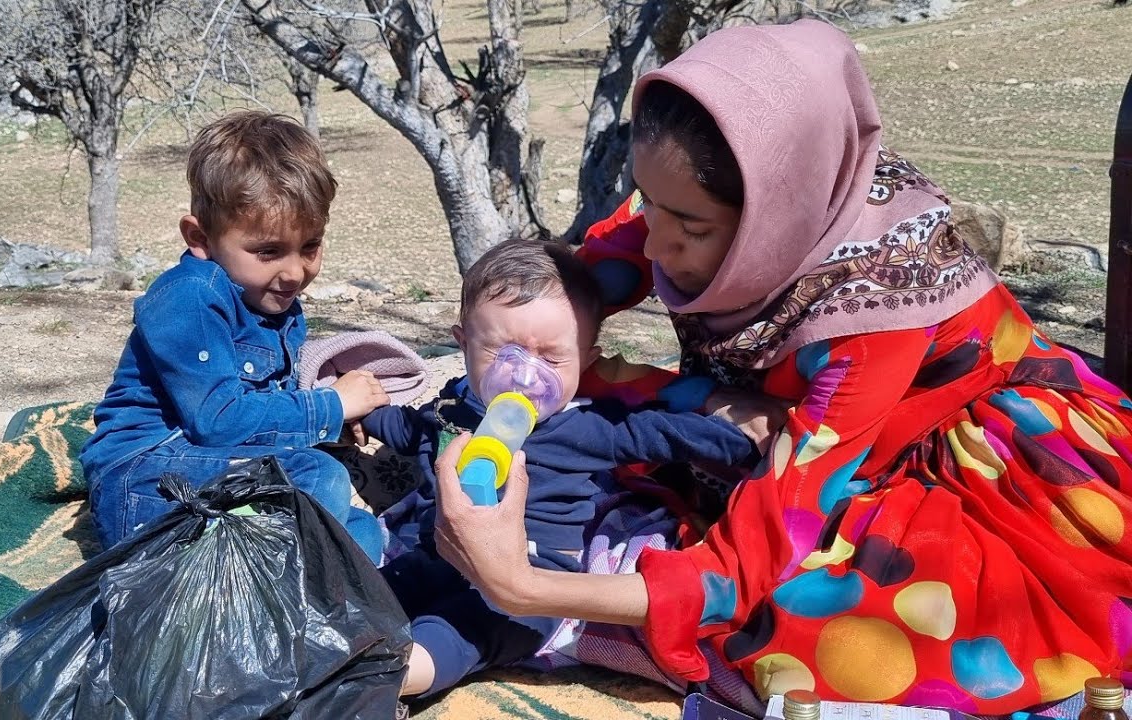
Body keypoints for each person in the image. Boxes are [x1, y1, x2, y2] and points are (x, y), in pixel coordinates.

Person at [430, 19, 1132, 714]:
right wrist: (685, 393)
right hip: (805, 438)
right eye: (650, 205)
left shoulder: (871, 319)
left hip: (966, 459)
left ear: (775, 213)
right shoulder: (714, 197)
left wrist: (521, 586)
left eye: (690, 228)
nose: (654, 245)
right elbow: (584, 283)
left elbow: (743, 565)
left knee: (810, 634)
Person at [363, 239, 757, 696]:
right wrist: (361, 412)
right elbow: (412, 430)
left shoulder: (588, 426)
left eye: (551, 359)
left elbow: (663, 433)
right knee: (377, 593)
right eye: (501, 352)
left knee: (471, 629)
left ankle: (393, 677)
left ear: (586, 362)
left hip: (533, 573)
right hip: (434, 551)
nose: (524, 377)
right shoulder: (454, 403)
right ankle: (334, 652)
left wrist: (740, 435)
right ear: (464, 343)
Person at [80, 111, 387, 561]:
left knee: (362, 535)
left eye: (310, 247)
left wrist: (330, 424)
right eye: (268, 251)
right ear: (200, 237)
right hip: (148, 473)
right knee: (320, 478)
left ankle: (272, 571)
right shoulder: (190, 299)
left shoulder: (269, 299)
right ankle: (256, 578)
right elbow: (219, 421)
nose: (295, 272)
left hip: (212, 467)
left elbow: (257, 412)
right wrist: (331, 404)